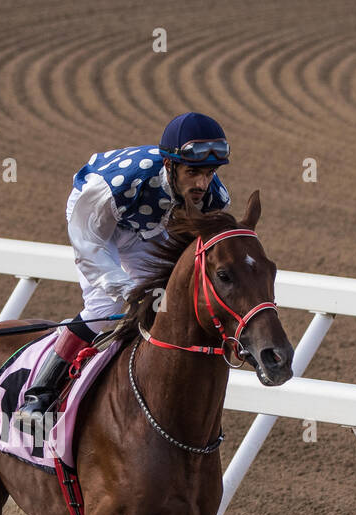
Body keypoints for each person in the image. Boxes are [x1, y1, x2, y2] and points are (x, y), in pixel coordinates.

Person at [14, 111, 231, 433]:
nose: (202, 183)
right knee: (107, 307)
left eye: (210, 173)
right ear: (170, 165)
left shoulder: (214, 198)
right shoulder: (119, 184)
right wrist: (128, 291)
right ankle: (39, 395)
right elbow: (90, 246)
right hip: (97, 222)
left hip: (148, 226)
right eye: (193, 173)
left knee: (165, 305)